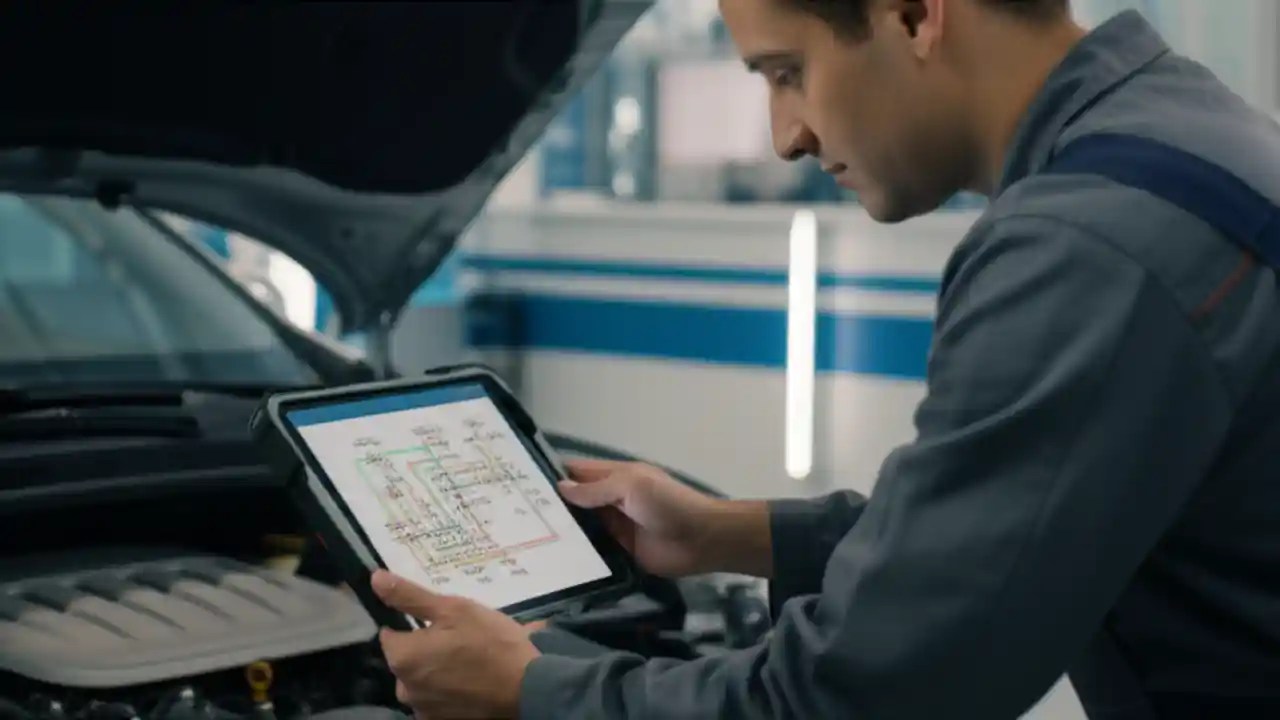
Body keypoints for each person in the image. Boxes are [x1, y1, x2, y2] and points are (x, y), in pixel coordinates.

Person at [371, 0, 1280, 717]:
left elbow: (871, 694)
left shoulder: (1085, 245)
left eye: (787, 72)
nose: (785, 136)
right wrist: (727, 532)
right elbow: (1022, 527)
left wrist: (532, 693)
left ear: (916, 14)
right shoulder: (1182, 132)